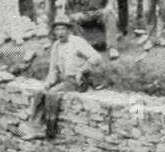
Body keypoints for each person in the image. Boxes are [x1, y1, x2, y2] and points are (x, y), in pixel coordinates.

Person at [18, 12, 102, 140]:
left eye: (63, 29)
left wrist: (83, 70)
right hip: (64, 80)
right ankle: (35, 126)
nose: (60, 32)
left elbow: (96, 57)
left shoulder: (77, 42)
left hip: (78, 81)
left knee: (52, 94)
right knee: (42, 92)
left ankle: (49, 131)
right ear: (54, 31)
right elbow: (53, 70)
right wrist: (48, 82)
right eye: (57, 29)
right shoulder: (56, 46)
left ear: (69, 30)